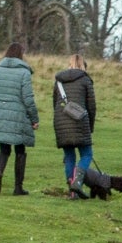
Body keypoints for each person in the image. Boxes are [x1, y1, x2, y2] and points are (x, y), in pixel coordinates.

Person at [0, 41, 38, 195]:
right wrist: (34, 118)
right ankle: (18, 187)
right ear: (21, 54)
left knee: (4, 149)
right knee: (20, 150)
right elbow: (28, 98)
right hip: (19, 116)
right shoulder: (24, 72)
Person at [52, 54, 98, 200]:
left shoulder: (59, 81)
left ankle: (72, 191)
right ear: (83, 65)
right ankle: (77, 182)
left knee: (69, 156)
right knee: (86, 154)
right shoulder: (85, 79)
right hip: (79, 120)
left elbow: (55, 103)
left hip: (61, 121)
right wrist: (90, 126)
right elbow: (91, 106)